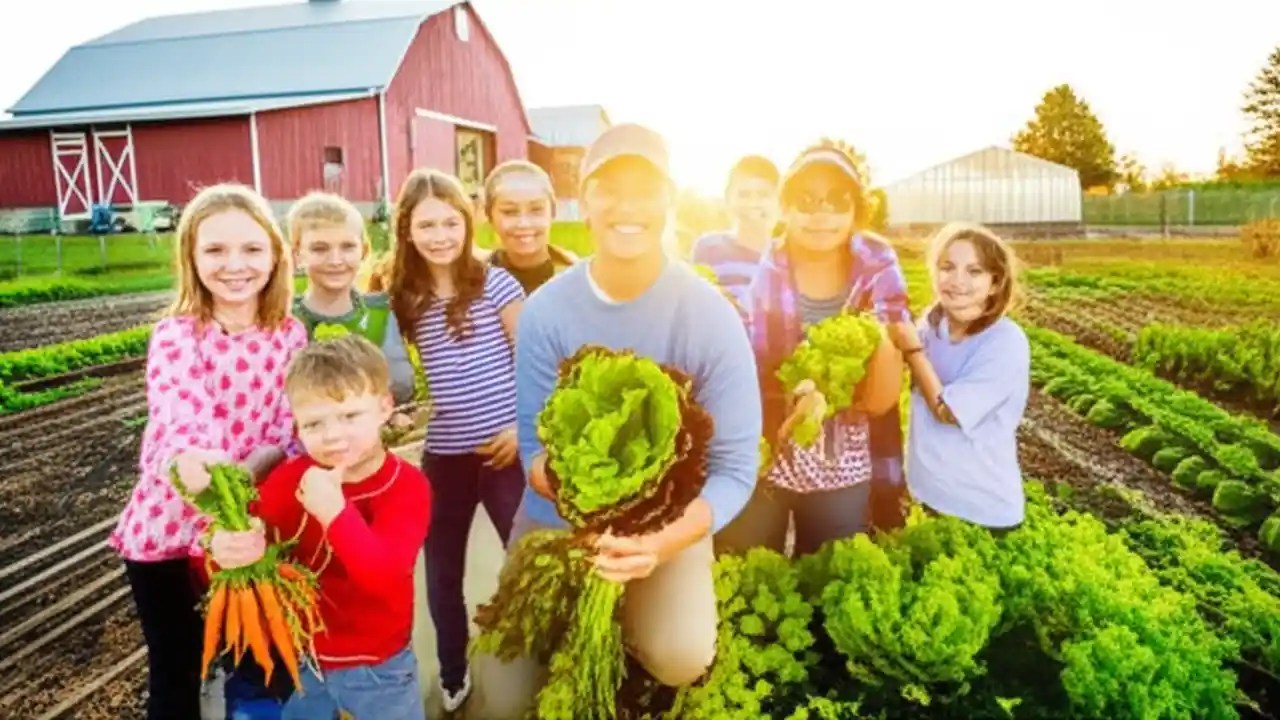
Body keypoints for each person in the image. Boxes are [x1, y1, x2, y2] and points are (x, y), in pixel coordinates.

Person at [469, 123, 762, 719]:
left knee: (680, 654)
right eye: (609, 189)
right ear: (585, 198)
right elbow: (533, 450)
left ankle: (633, 633)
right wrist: (578, 496)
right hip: (556, 522)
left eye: (645, 190)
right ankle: (593, 621)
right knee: (497, 702)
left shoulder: (709, 315)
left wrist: (656, 545)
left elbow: (735, 469)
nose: (627, 207)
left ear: (669, 200)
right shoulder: (548, 308)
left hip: (666, 526)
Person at [107, 183, 307, 720]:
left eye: (250, 249)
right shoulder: (177, 335)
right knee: (177, 671)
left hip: (250, 530)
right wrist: (216, 484)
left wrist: (245, 497)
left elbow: (286, 431)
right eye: (215, 250)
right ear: (191, 259)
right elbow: (183, 427)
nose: (234, 265)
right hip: (171, 534)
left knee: (261, 665)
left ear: (274, 254)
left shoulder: (290, 335)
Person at [197, 334, 432, 719]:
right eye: (315, 423)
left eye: (350, 416)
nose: (333, 435)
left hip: (382, 672)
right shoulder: (293, 479)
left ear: (385, 407)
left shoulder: (406, 487)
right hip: (308, 665)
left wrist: (335, 513)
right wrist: (225, 548)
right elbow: (248, 537)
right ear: (297, 426)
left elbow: (385, 576)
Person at [715, 140, 910, 558]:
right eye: (806, 200)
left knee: (827, 582)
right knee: (748, 569)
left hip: (842, 463)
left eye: (836, 201)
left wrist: (836, 384)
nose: (821, 213)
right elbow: (757, 369)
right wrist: (796, 394)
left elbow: (879, 401)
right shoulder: (768, 270)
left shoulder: (878, 264)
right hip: (768, 448)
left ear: (857, 210)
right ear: (784, 208)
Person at [386, 167, 526, 712]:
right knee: (442, 571)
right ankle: (451, 668)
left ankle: (534, 649)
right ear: (407, 230)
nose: (441, 235)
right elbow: (395, 375)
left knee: (526, 556)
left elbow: (534, 359)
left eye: (451, 222)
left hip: (503, 453)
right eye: (427, 225)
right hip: (443, 456)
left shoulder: (496, 282)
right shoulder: (402, 296)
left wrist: (523, 428)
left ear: (467, 224)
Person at [887, 222, 1030, 530]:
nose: (957, 281)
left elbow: (947, 412)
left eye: (974, 271)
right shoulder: (929, 325)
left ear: (995, 283)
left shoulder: (1005, 341)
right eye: (947, 267)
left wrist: (912, 350)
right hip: (926, 497)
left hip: (979, 510)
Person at [286, 191, 414, 405]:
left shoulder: (379, 314)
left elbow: (401, 389)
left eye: (347, 247)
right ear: (298, 255)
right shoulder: (286, 319)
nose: (336, 260)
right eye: (319, 248)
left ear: (363, 251)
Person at [689, 154, 780, 310]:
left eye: (763, 195)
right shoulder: (708, 248)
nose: (753, 203)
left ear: (779, 201)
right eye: (744, 195)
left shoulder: (784, 255)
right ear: (728, 198)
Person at [479, 159, 579, 294]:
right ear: (489, 216)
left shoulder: (578, 279)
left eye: (536, 210)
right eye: (510, 212)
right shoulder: (474, 280)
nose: (524, 224)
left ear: (553, 212)